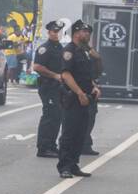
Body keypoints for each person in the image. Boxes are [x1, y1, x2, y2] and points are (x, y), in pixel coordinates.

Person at [57, 20, 101, 179]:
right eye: (84, 31)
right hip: (73, 98)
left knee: (80, 133)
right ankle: (64, 166)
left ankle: (74, 164)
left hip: (86, 98)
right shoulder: (69, 51)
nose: (87, 34)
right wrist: (80, 93)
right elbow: (66, 74)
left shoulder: (83, 52)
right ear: (76, 33)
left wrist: (94, 86)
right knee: (69, 133)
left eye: (88, 32)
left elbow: (86, 75)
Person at [32, 20, 66, 159]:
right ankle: (44, 147)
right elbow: (37, 67)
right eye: (54, 31)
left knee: (57, 116)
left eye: (59, 31)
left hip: (57, 87)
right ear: (49, 32)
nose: (57, 34)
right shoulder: (45, 48)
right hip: (48, 85)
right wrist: (55, 75)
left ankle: (51, 145)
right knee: (50, 116)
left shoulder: (59, 48)